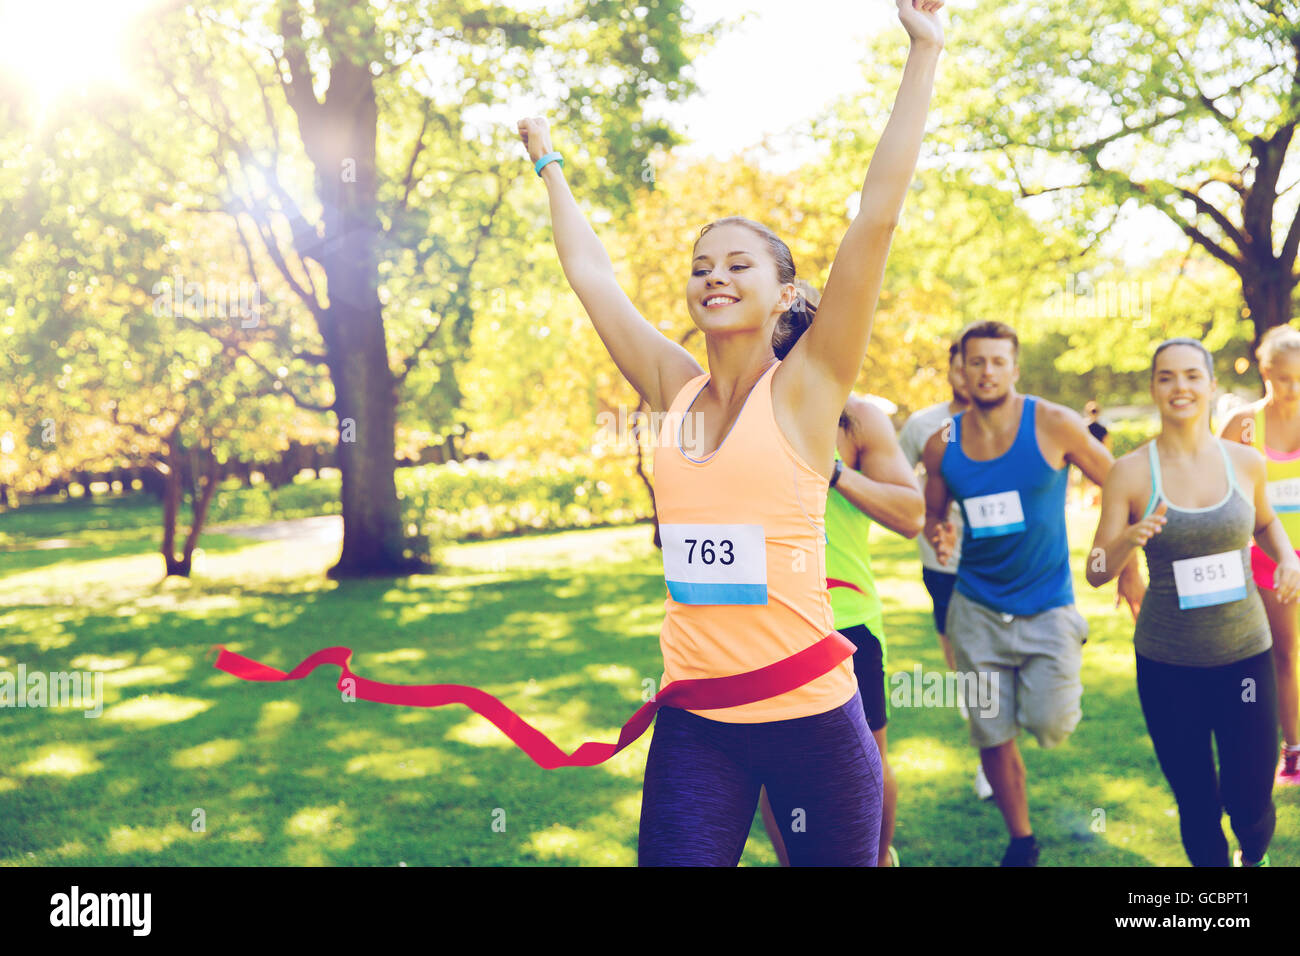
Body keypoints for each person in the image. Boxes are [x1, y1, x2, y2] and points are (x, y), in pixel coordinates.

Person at [518, 0, 944, 866]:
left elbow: (877, 218)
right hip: (697, 722)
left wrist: (924, 51)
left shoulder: (809, 389)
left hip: (817, 722)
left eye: (737, 263)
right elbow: (591, 276)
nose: (714, 277)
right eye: (701, 267)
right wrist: (547, 162)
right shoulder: (673, 386)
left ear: (784, 291)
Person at [921, 320, 1142, 866]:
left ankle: (1060, 656)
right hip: (975, 608)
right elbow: (933, 509)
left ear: (1015, 369)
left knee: (1051, 724)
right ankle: (1021, 840)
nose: (987, 371)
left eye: (998, 362)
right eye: (977, 362)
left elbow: (1121, 486)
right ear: (961, 371)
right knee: (990, 733)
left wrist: (1126, 564)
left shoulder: (1054, 424)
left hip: (1047, 606)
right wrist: (940, 530)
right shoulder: (942, 442)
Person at [1089, 337, 1298, 866]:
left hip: (1245, 659)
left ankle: (1254, 855)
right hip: (1168, 666)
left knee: (1250, 799)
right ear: (1155, 388)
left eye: (1190, 375)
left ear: (1210, 385)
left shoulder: (1244, 462)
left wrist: (1288, 559)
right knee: (1197, 803)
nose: (1179, 387)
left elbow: (1266, 521)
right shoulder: (1131, 472)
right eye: (1166, 377)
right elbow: (1094, 571)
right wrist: (1129, 539)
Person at [757, 281, 925, 867]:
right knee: (770, 772)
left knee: (864, 764)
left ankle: (878, 860)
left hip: (844, 624)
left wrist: (834, 474)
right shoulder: (728, 414)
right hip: (760, 627)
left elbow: (911, 515)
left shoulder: (858, 420)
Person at [899, 338, 993, 800]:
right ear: (953, 369)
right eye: (964, 365)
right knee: (965, 661)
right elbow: (893, 481)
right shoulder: (922, 425)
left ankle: (988, 758)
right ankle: (983, 720)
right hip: (942, 561)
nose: (971, 374)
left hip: (998, 559)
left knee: (985, 660)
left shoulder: (1008, 419)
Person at [1219, 324, 1300, 786]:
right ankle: (1292, 751)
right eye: (1286, 377)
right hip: (1270, 555)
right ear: (1266, 370)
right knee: (1284, 654)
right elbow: (1217, 489)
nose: (1295, 388)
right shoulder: (1243, 424)